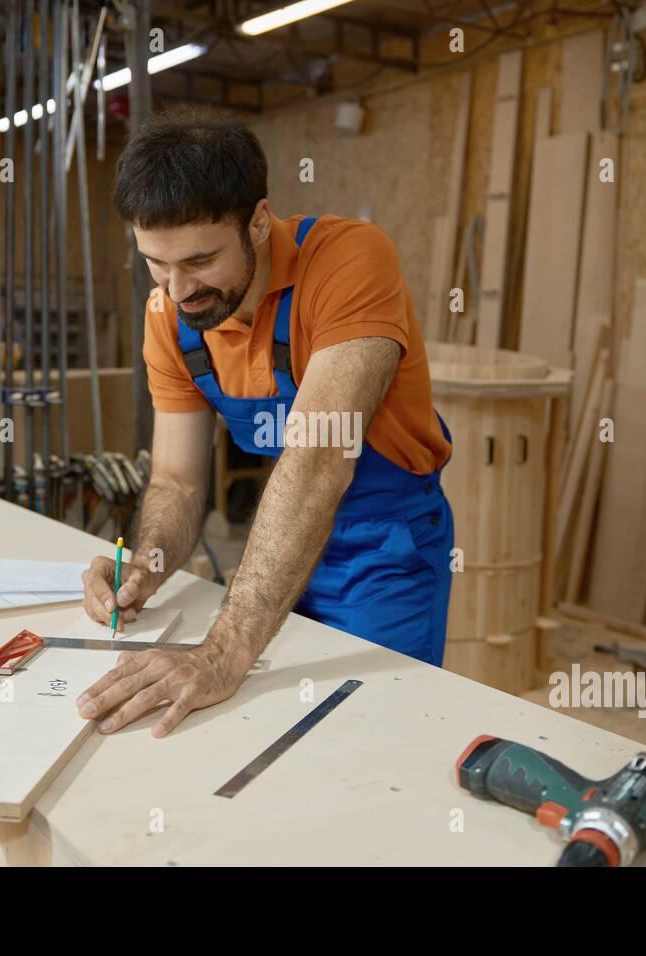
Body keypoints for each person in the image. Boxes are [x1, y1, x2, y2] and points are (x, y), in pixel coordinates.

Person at [77, 107, 453, 737]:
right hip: (273, 544)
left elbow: (317, 462)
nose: (177, 290)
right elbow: (176, 480)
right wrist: (147, 564)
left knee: (369, 739)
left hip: (380, 552)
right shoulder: (168, 316)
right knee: (266, 736)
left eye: (199, 261)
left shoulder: (350, 261)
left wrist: (222, 654)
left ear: (257, 221)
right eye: (156, 263)